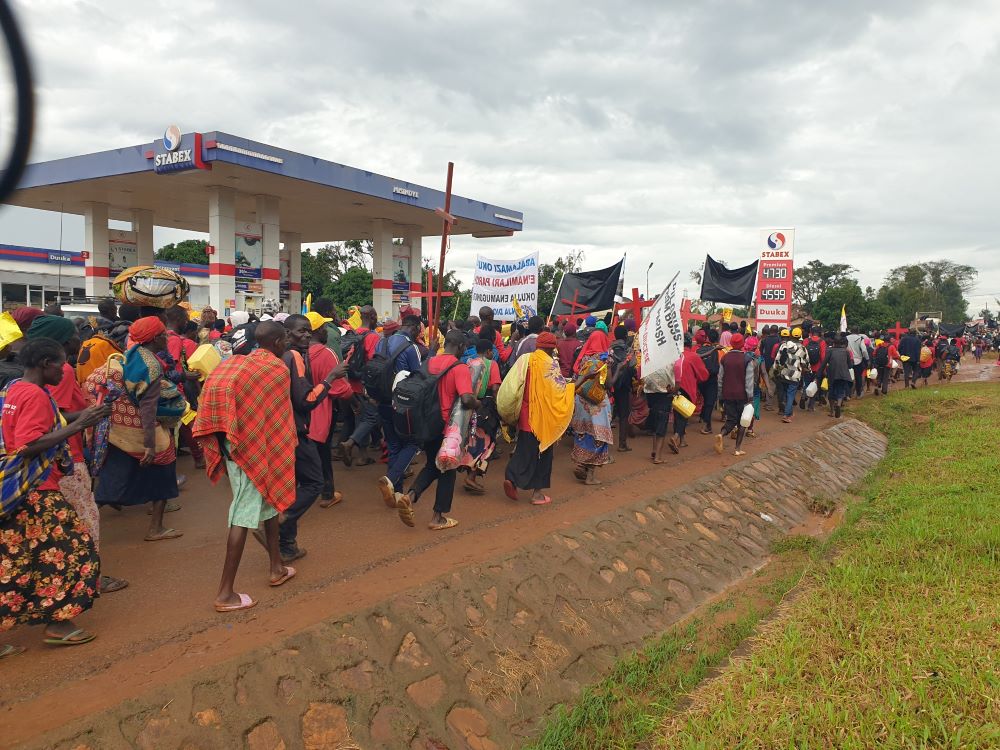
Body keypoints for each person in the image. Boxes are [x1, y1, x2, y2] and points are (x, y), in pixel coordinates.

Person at [1, 337, 109, 650]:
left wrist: (86, 416)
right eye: (62, 364)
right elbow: (27, 445)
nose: (65, 371)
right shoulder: (35, 395)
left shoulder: (15, 388)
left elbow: (48, 422)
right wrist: (78, 426)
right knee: (73, 552)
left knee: (13, 562)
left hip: (14, 490)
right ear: (46, 364)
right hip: (36, 490)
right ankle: (59, 623)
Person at [194, 321, 299, 613]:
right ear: (277, 342)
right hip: (250, 448)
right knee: (242, 514)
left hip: (234, 440)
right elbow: (278, 414)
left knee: (269, 502)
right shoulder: (276, 369)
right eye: (286, 339)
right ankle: (225, 593)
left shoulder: (236, 363)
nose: (288, 343)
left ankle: (276, 567)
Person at [26, 315, 127, 593]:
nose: (79, 338)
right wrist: (89, 415)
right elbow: (53, 416)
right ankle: (90, 580)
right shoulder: (62, 371)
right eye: (74, 334)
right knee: (85, 518)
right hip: (67, 456)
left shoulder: (25, 379)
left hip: (53, 459)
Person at [93, 316, 185, 542]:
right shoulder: (151, 365)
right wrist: (149, 445)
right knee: (165, 467)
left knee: (116, 476)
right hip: (142, 426)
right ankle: (156, 529)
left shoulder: (134, 352)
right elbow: (148, 408)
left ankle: (89, 515)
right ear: (155, 338)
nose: (167, 338)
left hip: (119, 427)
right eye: (163, 335)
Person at [264, 314, 347, 563]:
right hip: (296, 431)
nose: (307, 335)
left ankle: (287, 546)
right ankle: (281, 519)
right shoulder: (295, 357)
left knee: (292, 487)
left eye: (309, 330)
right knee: (314, 482)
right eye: (301, 331)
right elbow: (306, 400)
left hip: (278, 431)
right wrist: (331, 377)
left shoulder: (279, 356)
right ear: (287, 334)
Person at [394, 330, 479, 530]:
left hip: (425, 423)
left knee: (433, 465)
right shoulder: (459, 368)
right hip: (446, 426)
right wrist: (478, 404)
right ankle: (438, 517)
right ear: (460, 347)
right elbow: (466, 399)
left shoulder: (429, 361)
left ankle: (410, 496)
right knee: (448, 469)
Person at [501, 331, 575, 504]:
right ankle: (537, 494)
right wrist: (577, 383)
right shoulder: (550, 365)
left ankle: (512, 478)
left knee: (524, 450)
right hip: (543, 418)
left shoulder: (525, 359)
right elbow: (559, 390)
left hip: (525, 414)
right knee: (544, 454)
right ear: (551, 348)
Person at [305, 312, 353, 509]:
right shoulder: (326, 353)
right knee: (323, 451)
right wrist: (354, 400)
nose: (326, 330)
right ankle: (327, 493)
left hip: (299, 411)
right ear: (316, 331)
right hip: (322, 408)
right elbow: (339, 388)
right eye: (323, 327)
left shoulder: (294, 354)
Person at [374, 314, 423, 505]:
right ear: (415, 328)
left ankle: (396, 491)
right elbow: (418, 376)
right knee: (413, 443)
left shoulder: (382, 342)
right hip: (402, 403)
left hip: (382, 400)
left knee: (393, 445)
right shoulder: (411, 347)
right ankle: (392, 479)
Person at [338, 305, 381, 465]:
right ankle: (358, 452)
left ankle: (353, 451)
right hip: (363, 384)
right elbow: (373, 363)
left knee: (357, 417)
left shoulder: (353, 334)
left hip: (348, 382)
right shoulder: (373, 337)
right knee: (369, 417)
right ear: (372, 317)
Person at [570, 329, 614, 484]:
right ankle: (590, 476)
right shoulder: (605, 360)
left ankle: (581, 464)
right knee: (598, 436)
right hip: (597, 404)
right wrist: (611, 368)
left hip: (581, 402)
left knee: (583, 434)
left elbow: (576, 377)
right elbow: (608, 383)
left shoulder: (583, 359)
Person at [460, 336, 502, 494]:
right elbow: (495, 388)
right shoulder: (492, 364)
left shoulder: (468, 363)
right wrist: (499, 406)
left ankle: (470, 475)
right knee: (486, 442)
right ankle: (471, 477)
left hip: (469, 406)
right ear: (489, 351)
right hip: (485, 407)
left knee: (472, 439)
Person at [716, 332, 753, 456]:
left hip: (727, 394)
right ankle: (737, 449)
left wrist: (720, 394)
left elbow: (720, 379)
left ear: (731, 343)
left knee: (731, 419)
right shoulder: (747, 359)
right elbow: (749, 381)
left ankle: (721, 434)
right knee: (743, 421)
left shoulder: (724, 358)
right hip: (742, 395)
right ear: (742, 344)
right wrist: (750, 397)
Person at [774, 328, 808, 423]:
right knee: (791, 395)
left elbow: (777, 359)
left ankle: (789, 411)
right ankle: (786, 415)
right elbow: (805, 362)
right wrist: (807, 370)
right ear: (800, 336)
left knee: (786, 394)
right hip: (795, 376)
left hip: (783, 374)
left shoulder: (784, 346)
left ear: (791, 335)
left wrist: (776, 369)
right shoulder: (802, 348)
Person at [609, 325, 636, 451]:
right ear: (625, 336)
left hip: (610, 385)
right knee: (624, 415)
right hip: (624, 386)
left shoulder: (609, 349)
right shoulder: (629, 350)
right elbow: (633, 366)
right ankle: (622, 444)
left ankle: (603, 445)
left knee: (608, 414)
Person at [818, 334, 853, 418]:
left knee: (831, 393)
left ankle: (832, 412)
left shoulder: (830, 351)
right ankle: (838, 405)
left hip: (832, 375)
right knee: (841, 391)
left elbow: (824, 363)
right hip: (843, 375)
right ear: (841, 342)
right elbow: (850, 366)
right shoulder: (846, 352)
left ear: (833, 342)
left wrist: (819, 374)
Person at [696, 329, 721, 435]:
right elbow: (717, 368)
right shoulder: (716, 351)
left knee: (706, 400)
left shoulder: (699, 350)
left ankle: (704, 418)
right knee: (710, 402)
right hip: (711, 379)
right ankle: (706, 425)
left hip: (700, 380)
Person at [801, 326, 826, 410]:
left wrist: (802, 366)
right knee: (814, 385)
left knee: (806, 383)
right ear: (819, 333)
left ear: (811, 333)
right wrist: (824, 369)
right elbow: (823, 357)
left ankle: (804, 396)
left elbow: (802, 354)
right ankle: (811, 406)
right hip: (817, 368)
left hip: (807, 367)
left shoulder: (805, 341)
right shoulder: (822, 342)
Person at [846, 328, 870, 398]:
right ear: (858, 331)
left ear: (851, 331)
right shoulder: (860, 338)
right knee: (858, 377)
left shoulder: (846, 338)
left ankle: (848, 394)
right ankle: (858, 394)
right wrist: (867, 359)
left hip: (848, 360)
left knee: (848, 377)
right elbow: (864, 350)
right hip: (858, 360)